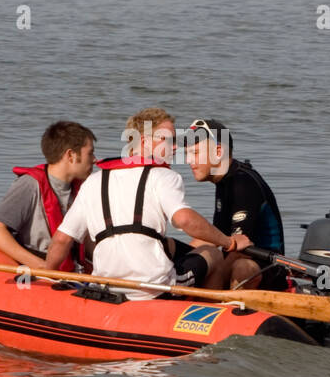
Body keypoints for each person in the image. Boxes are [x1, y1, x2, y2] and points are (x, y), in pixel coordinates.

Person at [43, 107, 248, 300]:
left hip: (105, 285)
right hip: (153, 290)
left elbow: (61, 240)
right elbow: (185, 219)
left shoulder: (94, 181)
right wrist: (228, 242)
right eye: (167, 140)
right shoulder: (165, 176)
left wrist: (46, 278)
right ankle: (200, 317)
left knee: (170, 244)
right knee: (213, 253)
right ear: (143, 142)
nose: (175, 146)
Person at [183, 118, 287, 291]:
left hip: (268, 267)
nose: (188, 160)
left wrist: (197, 281)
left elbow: (238, 248)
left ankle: (227, 310)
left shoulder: (243, 184)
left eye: (194, 153)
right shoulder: (224, 182)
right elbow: (215, 236)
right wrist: (179, 262)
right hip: (239, 256)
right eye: (187, 153)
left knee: (240, 266)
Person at [0, 121, 96, 270]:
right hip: (40, 273)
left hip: (71, 273)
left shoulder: (83, 189)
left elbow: (86, 243)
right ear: (71, 155)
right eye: (90, 153)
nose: (94, 159)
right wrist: (41, 266)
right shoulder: (29, 185)